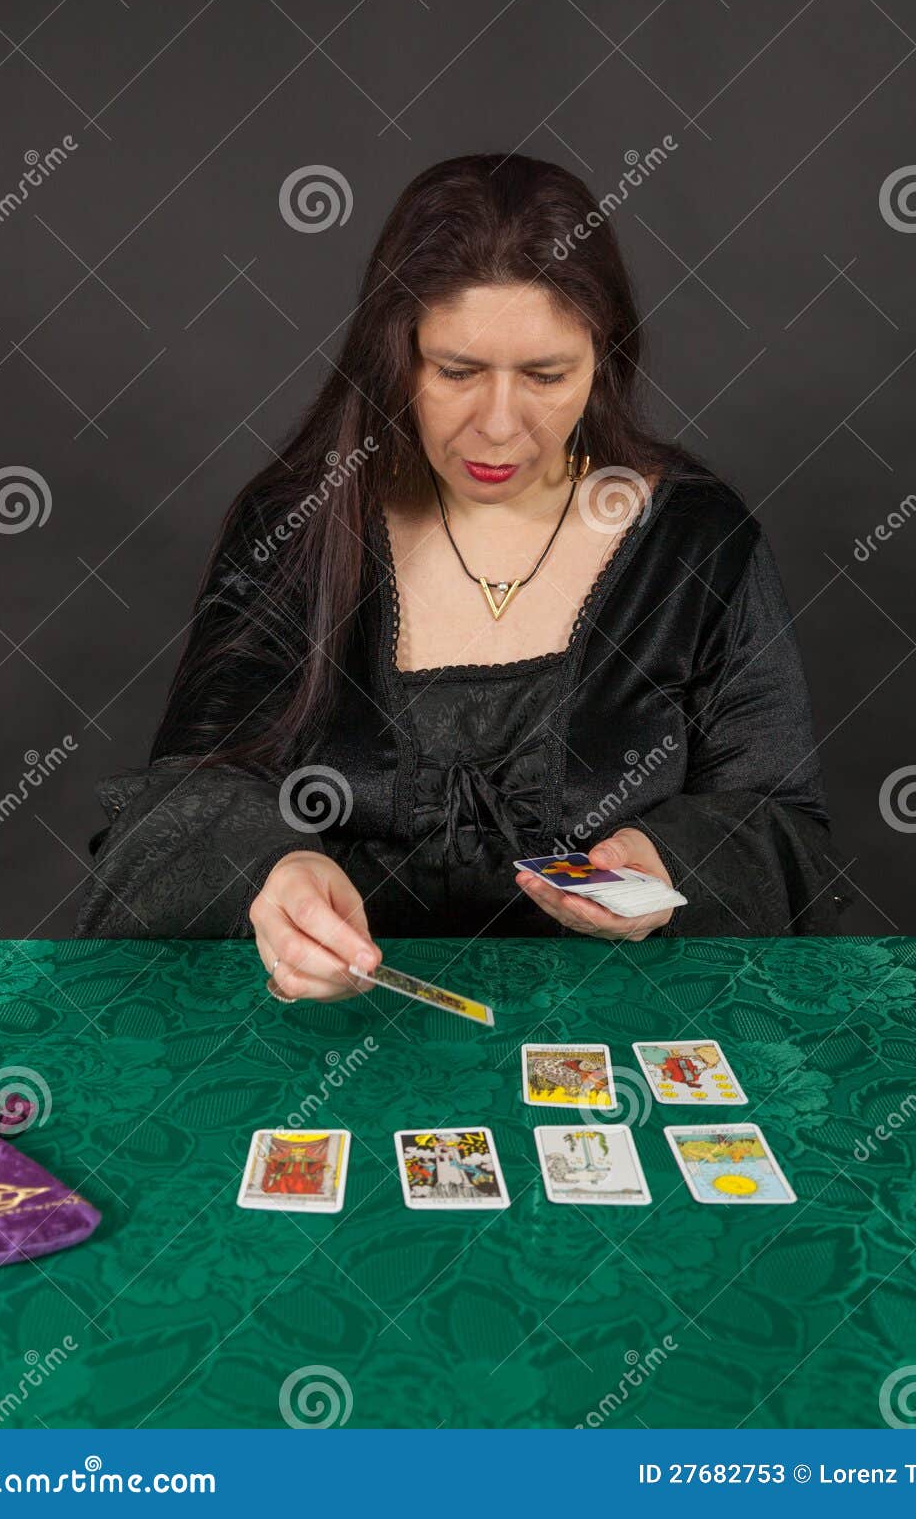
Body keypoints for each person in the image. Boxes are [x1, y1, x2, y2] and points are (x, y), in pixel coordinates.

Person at [75, 152, 852, 1001]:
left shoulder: (698, 540)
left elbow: (782, 829)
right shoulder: (302, 522)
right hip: (334, 1035)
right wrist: (276, 870)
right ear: (393, 356)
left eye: (547, 377)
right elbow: (182, 803)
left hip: (619, 1041)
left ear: (604, 357)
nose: (498, 425)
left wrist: (666, 862)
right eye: (455, 372)